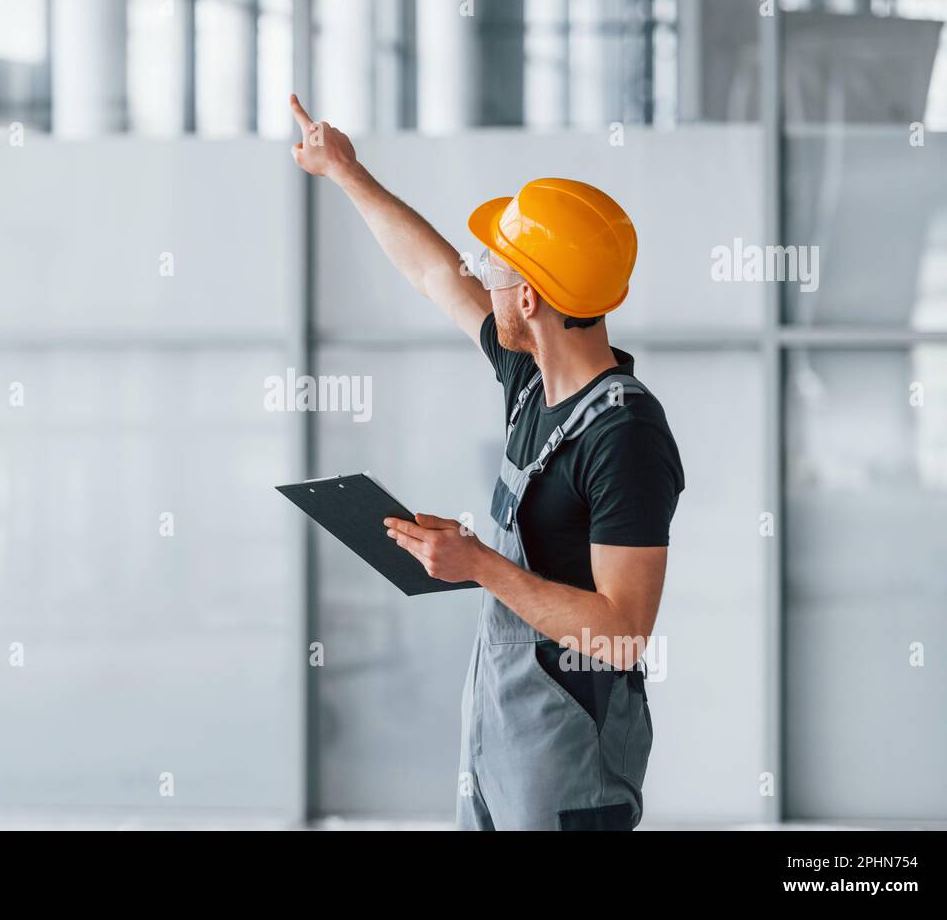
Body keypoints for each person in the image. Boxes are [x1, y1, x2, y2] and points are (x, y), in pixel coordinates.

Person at [288, 95, 685, 831]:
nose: (482, 276)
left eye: (494, 268)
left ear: (528, 296)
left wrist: (478, 564)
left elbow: (624, 631)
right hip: (502, 742)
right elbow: (435, 273)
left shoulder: (624, 435)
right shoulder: (530, 381)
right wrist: (346, 172)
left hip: (571, 766)